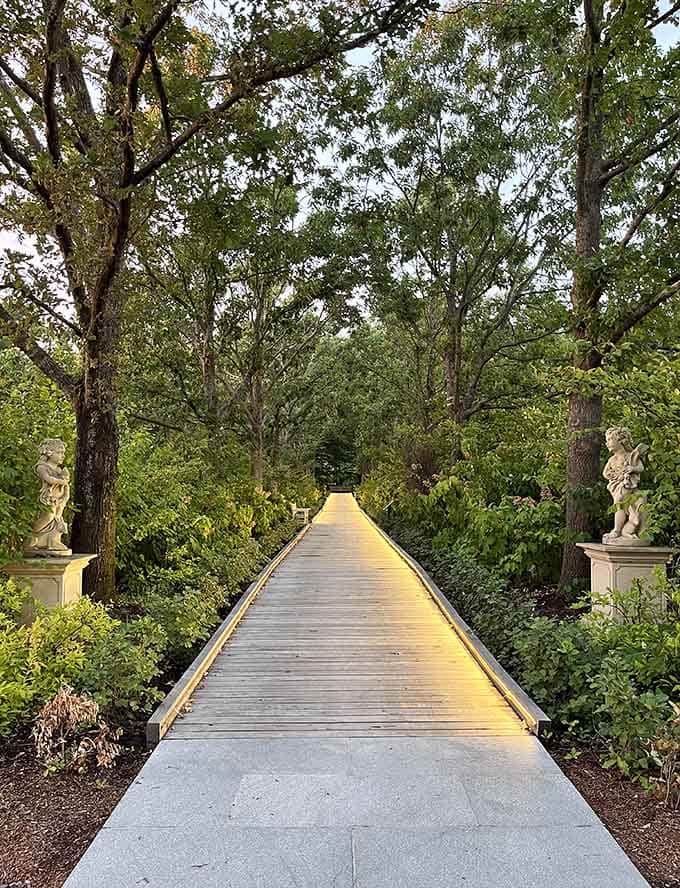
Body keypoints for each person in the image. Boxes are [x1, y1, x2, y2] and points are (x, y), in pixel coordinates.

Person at [602, 427, 649, 545]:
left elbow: (640, 468)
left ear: (621, 441)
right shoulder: (612, 459)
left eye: (610, 439)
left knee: (635, 503)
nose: (607, 442)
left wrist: (632, 468)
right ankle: (617, 530)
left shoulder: (631, 456)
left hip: (630, 486)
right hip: (618, 485)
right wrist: (616, 475)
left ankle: (627, 531)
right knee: (619, 503)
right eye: (607, 439)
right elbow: (605, 473)